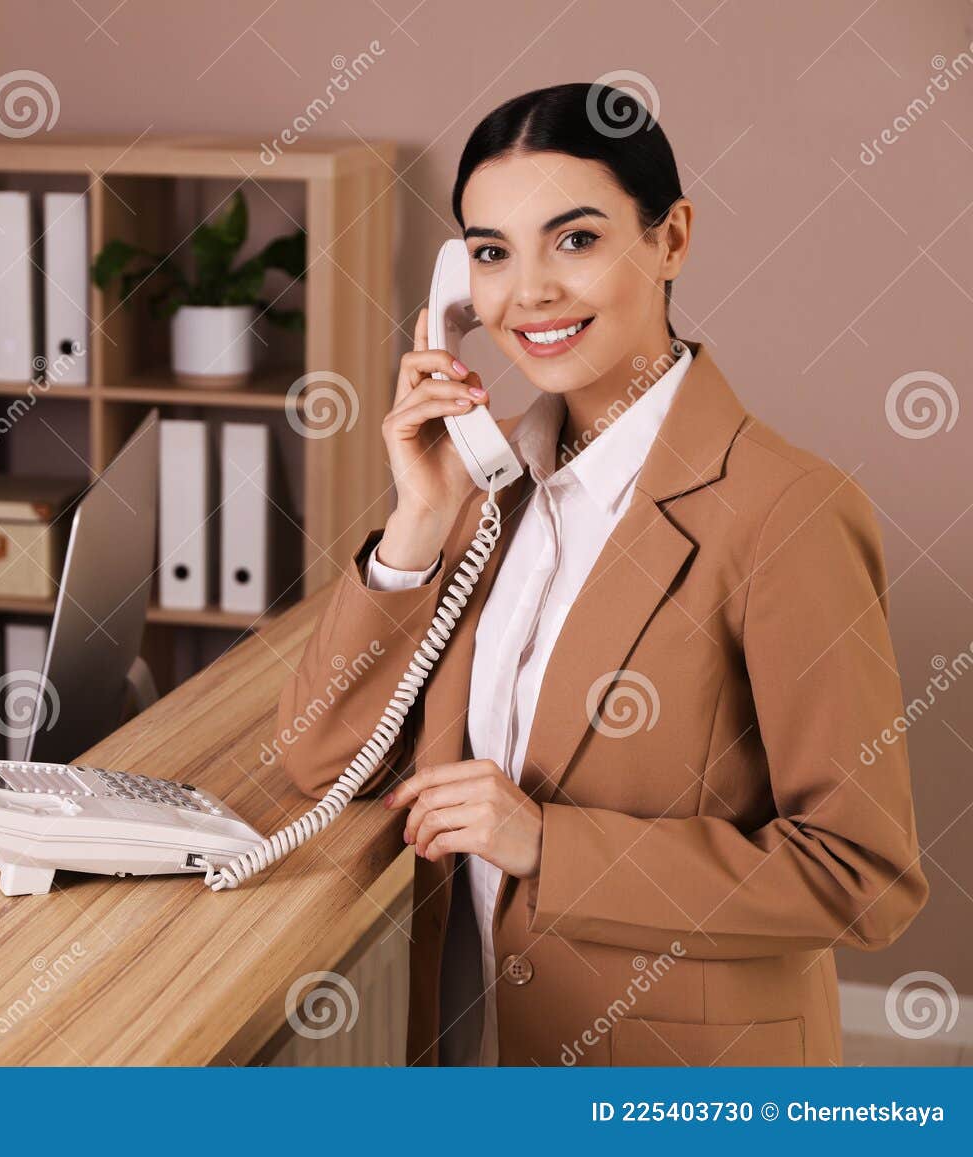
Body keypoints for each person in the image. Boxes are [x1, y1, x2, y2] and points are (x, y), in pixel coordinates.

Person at [274, 82, 927, 1066]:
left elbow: (862, 876)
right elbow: (322, 763)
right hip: (473, 1044)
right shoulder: (488, 490)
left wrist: (549, 842)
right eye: (491, 253)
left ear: (670, 241)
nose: (525, 292)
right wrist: (417, 519)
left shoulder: (784, 511)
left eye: (573, 240)